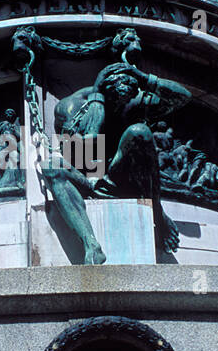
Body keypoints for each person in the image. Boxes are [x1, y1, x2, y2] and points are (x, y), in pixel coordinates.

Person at [44, 62, 190, 262]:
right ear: (106, 92)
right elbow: (80, 148)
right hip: (85, 178)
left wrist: (144, 78)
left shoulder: (134, 101)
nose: (124, 105)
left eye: (128, 100)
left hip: (117, 176)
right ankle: (91, 245)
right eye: (117, 101)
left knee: (139, 131)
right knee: (51, 167)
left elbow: (183, 97)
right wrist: (97, 101)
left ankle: (157, 214)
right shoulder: (70, 107)